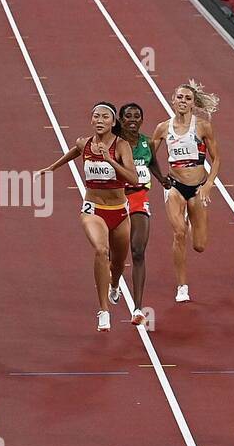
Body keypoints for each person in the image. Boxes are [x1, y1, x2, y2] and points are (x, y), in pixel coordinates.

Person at [39, 103, 141, 331]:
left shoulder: (121, 146)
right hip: (93, 209)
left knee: (118, 263)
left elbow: (133, 179)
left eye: (105, 117)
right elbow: (75, 151)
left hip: (119, 211)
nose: (100, 120)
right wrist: (52, 168)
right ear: (91, 120)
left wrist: (110, 160)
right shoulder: (84, 143)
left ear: (113, 122)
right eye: (96, 116)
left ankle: (114, 283)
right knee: (101, 250)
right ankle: (104, 310)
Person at [151, 80, 220, 304]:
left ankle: (191, 217)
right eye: (179, 97)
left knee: (199, 245)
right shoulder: (163, 128)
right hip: (175, 187)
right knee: (179, 233)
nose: (183, 101)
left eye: (187, 98)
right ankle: (182, 286)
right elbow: (148, 155)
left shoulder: (203, 127)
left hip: (198, 188)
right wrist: (160, 179)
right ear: (173, 100)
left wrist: (209, 184)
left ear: (193, 103)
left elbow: (217, 159)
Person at [119, 102, 163, 326]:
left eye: (137, 116)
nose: (133, 120)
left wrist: (163, 180)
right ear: (121, 120)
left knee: (138, 251)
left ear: (142, 120)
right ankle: (114, 283)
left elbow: (152, 163)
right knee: (114, 253)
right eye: (128, 116)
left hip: (138, 198)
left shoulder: (147, 142)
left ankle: (137, 308)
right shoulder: (115, 142)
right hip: (116, 199)